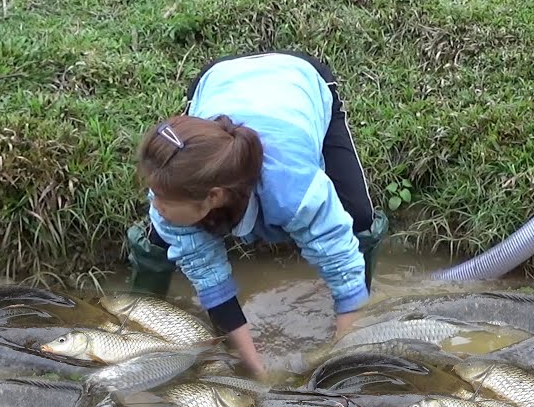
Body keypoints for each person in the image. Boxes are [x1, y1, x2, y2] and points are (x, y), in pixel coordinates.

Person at [124, 50, 389, 377]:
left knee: (358, 219)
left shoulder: (295, 190)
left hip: (300, 79)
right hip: (219, 79)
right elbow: (212, 283)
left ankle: (363, 324)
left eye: (163, 199)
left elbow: (342, 268)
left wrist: (343, 361)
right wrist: (256, 372)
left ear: (214, 196)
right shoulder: (178, 191)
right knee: (160, 236)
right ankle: (133, 321)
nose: (154, 203)